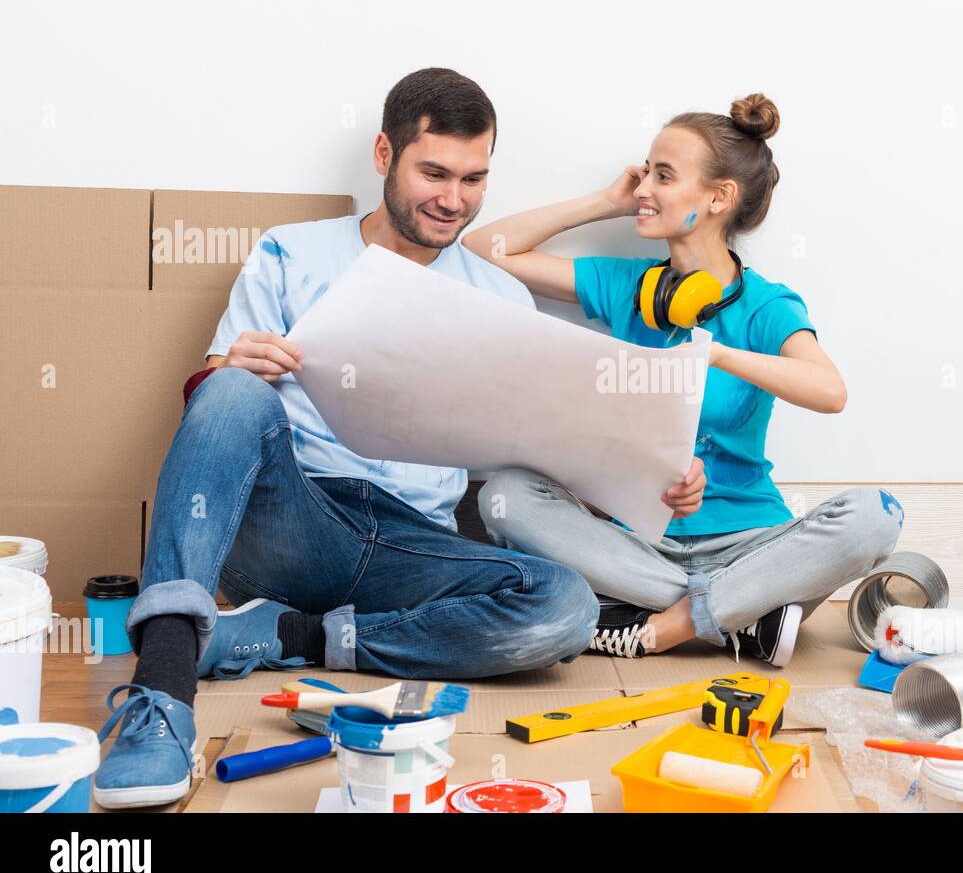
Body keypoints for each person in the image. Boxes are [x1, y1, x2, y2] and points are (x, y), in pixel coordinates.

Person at [92, 68, 598, 810]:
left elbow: (535, 448)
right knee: (232, 388)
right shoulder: (290, 253)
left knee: (566, 605)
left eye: (473, 178)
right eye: (433, 171)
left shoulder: (501, 298)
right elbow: (211, 407)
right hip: (298, 519)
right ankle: (162, 688)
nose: (453, 199)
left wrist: (622, 471)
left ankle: (297, 637)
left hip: (412, 546)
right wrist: (229, 367)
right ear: (384, 154)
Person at [462, 93, 904, 669]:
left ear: (719, 197)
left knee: (877, 515)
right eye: (645, 173)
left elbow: (830, 391)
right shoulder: (630, 287)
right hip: (638, 543)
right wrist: (604, 202)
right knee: (502, 496)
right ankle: (744, 617)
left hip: (751, 545)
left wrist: (715, 355)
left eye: (663, 176)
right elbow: (483, 249)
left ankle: (668, 624)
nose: (645, 188)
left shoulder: (766, 307)